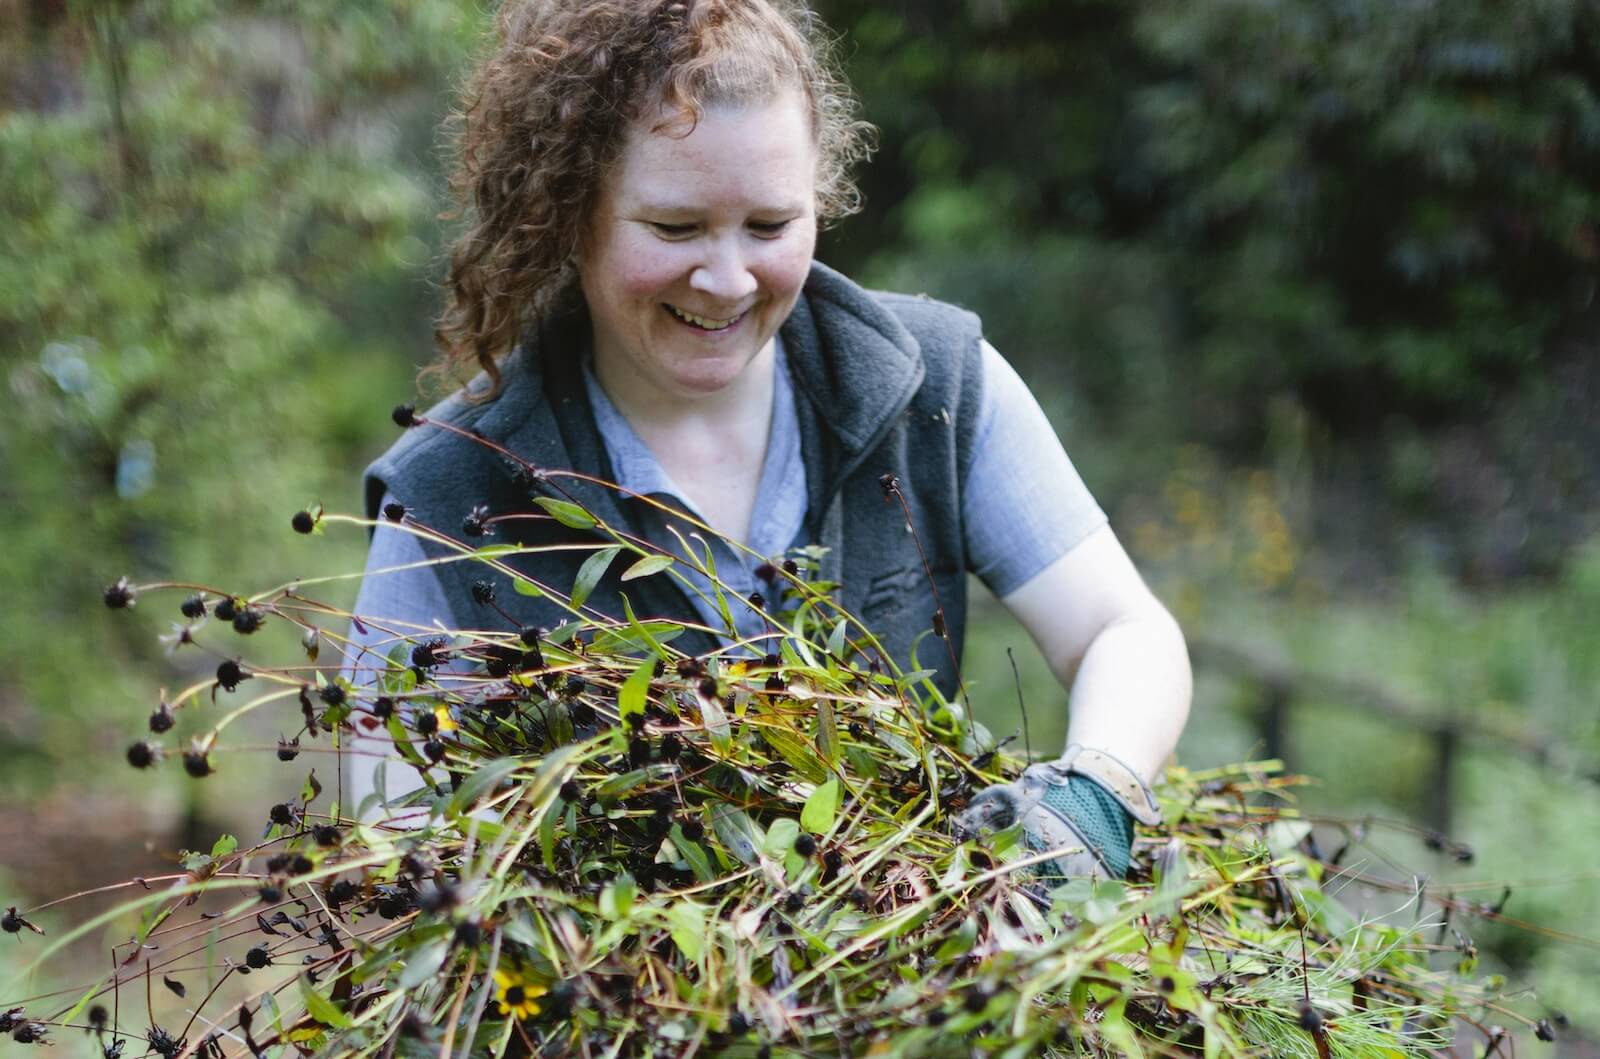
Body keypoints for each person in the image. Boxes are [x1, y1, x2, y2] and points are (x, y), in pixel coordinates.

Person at [344, 0, 1191, 880]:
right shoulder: (451, 495)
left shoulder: (936, 386)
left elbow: (1121, 629)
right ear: (570, 211)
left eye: (770, 226)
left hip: (927, 988)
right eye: (675, 228)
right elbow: (393, 859)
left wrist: (1094, 795)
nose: (726, 278)